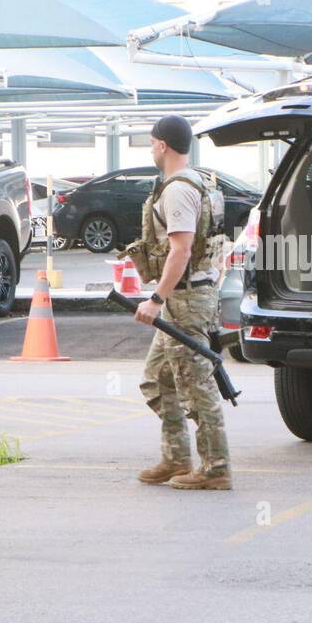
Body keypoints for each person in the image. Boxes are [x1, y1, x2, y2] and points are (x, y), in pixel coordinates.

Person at [128, 115, 232, 490]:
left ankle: (215, 469)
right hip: (183, 297)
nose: (150, 148)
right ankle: (176, 457)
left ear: (162, 145)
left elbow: (181, 250)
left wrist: (156, 299)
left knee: (196, 385)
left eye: (152, 141)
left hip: (184, 300)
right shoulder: (191, 183)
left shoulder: (177, 190)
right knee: (158, 379)